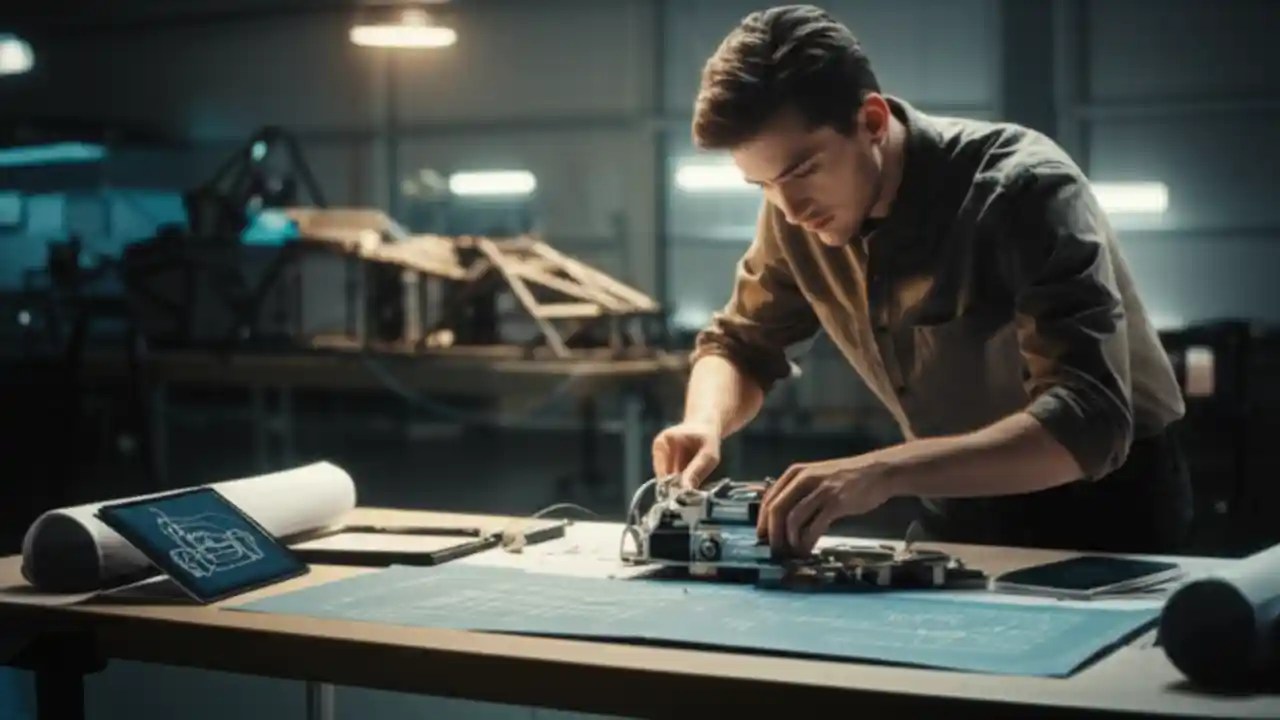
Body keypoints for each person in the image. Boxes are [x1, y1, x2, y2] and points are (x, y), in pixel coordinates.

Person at [651, 5, 1192, 558]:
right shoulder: (798, 213)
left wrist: (880, 471)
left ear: (873, 122)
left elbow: (1089, 421)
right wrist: (705, 421)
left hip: (1106, 506)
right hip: (953, 496)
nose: (788, 209)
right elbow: (740, 343)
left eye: (802, 170)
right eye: (761, 184)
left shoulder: (1023, 190)